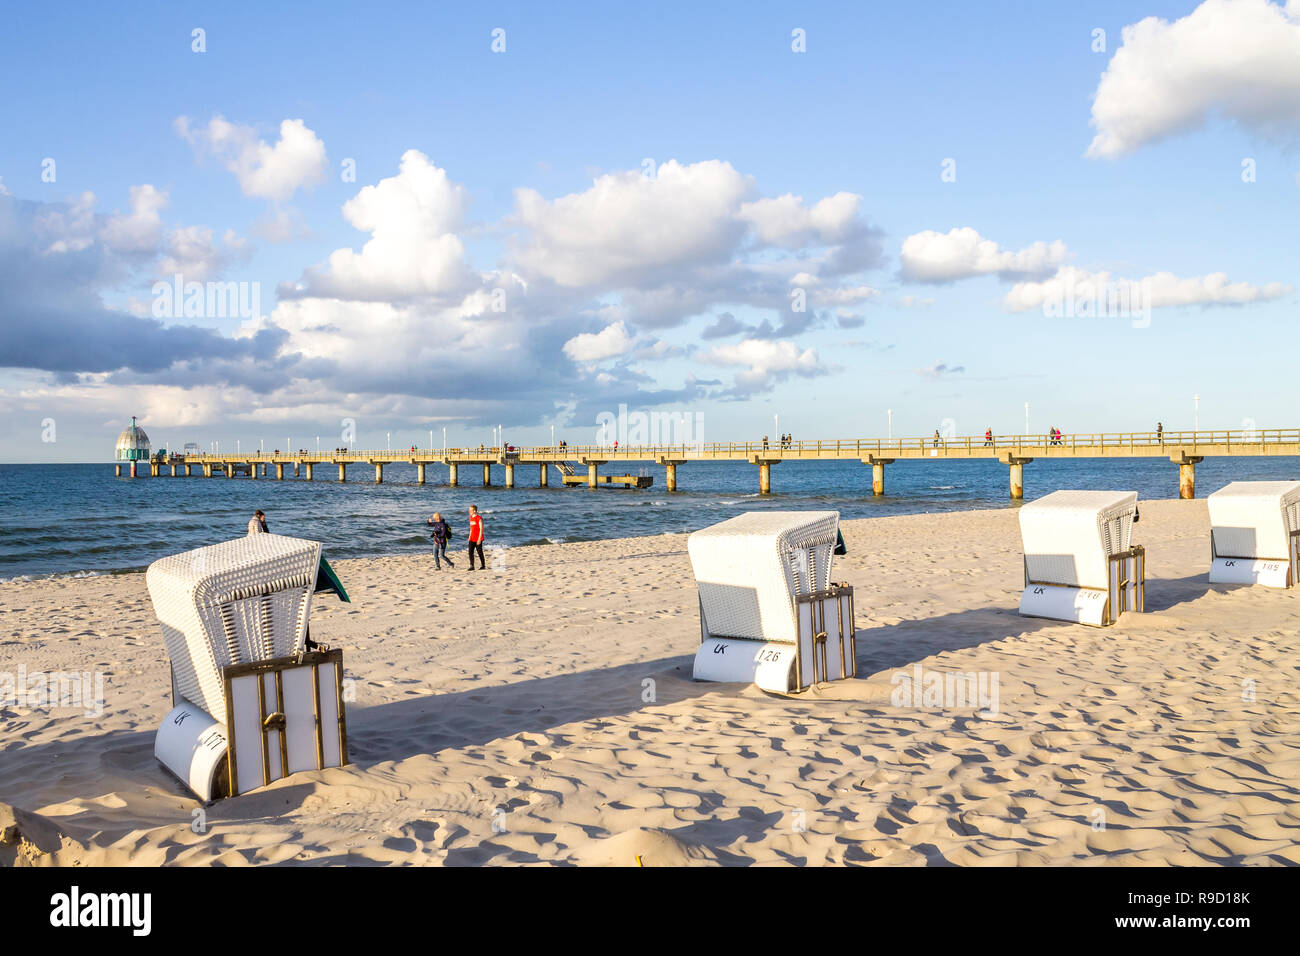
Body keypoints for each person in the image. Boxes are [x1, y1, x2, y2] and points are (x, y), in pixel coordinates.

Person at [466, 505, 485, 571]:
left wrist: (479, 538)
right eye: (469, 510)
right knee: (470, 552)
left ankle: (483, 565)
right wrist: (469, 536)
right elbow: (471, 528)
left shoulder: (479, 518)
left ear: (474, 511)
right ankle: (472, 566)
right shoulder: (471, 517)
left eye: (470, 510)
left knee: (479, 552)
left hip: (478, 538)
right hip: (472, 538)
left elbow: (481, 529)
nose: (469, 511)